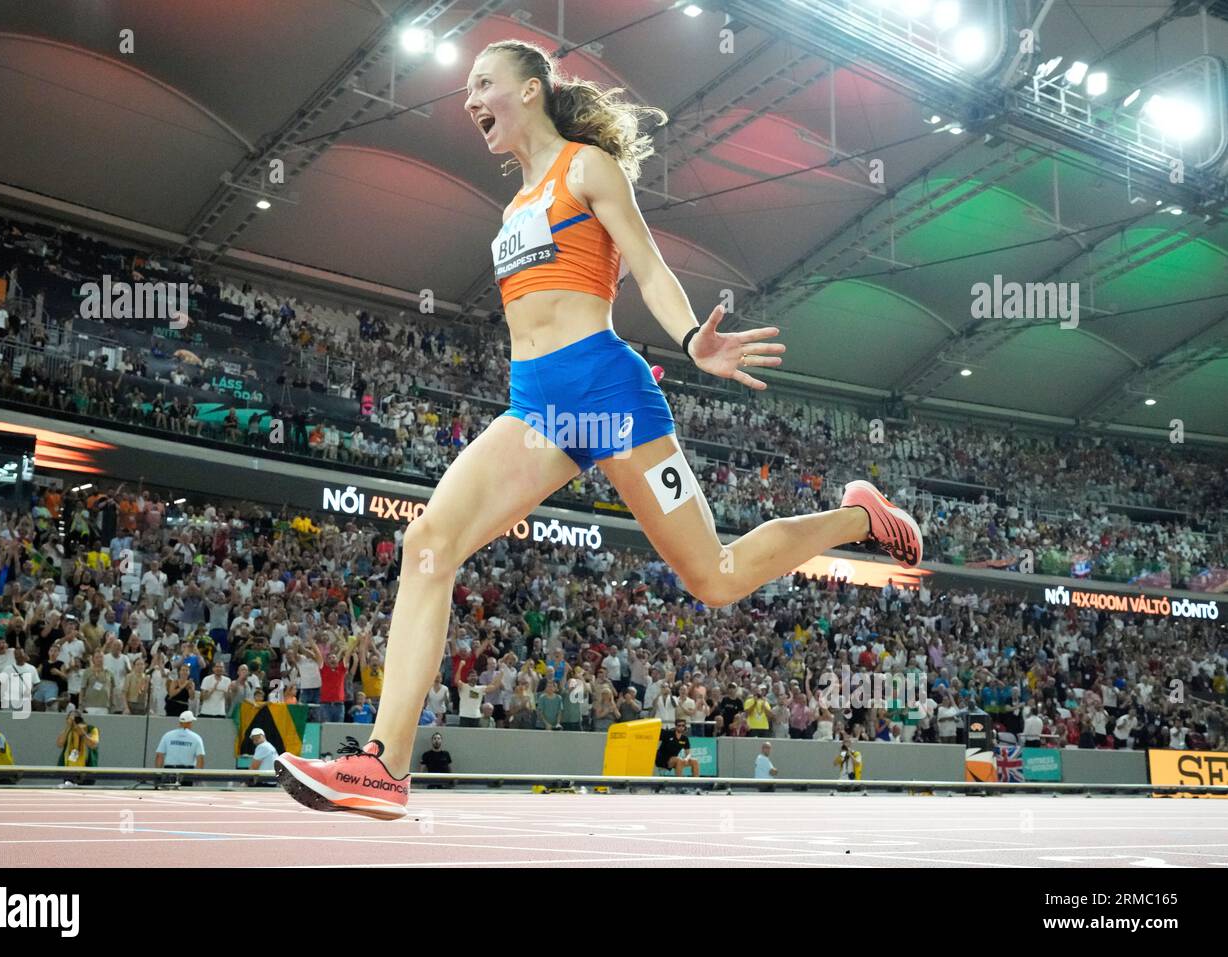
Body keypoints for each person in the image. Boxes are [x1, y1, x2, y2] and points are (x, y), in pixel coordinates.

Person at [276, 39, 922, 820]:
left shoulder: (585, 168)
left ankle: (859, 514)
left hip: (608, 394)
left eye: (483, 83)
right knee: (428, 545)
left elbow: (647, 264)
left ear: (533, 90)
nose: (469, 99)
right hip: (536, 405)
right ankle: (383, 765)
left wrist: (693, 342)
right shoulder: (510, 211)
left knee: (713, 577)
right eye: (467, 89)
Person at [56, 711, 99, 783]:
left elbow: (92, 744)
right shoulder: (67, 731)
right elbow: (59, 744)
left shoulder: (91, 729)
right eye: (70, 718)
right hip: (69, 771)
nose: (73, 721)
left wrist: (82, 733)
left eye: (76, 718)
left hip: (86, 770)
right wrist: (68, 728)